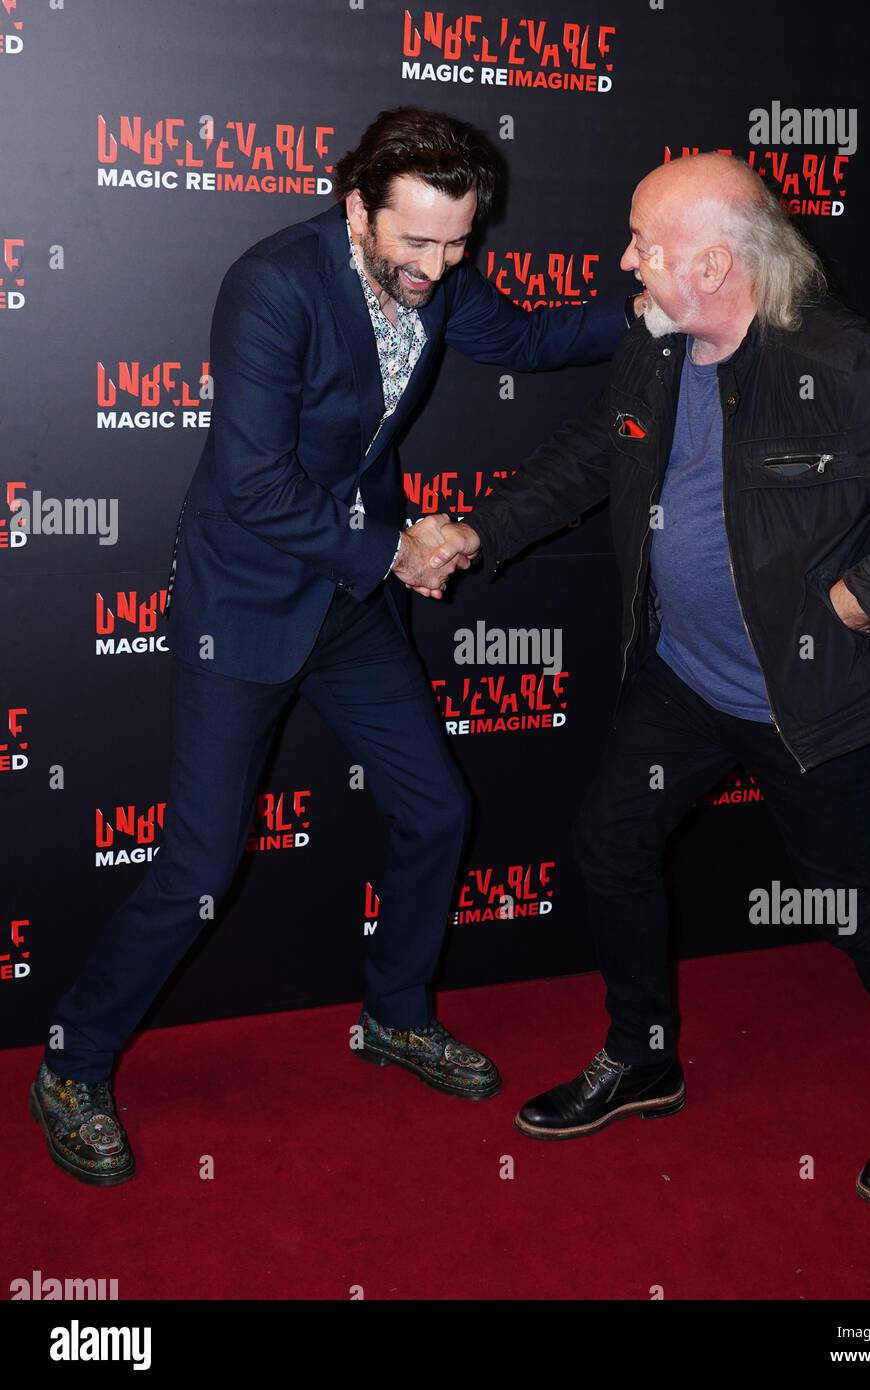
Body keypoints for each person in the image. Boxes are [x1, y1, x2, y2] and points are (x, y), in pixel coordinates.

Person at [30, 106, 638, 1187]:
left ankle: (394, 1016)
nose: (438, 266)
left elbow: (527, 339)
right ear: (356, 205)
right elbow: (255, 484)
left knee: (437, 807)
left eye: (457, 244)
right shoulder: (272, 285)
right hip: (255, 595)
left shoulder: (440, 268)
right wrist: (396, 554)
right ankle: (73, 1062)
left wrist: (654, 312)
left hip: (351, 604)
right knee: (200, 863)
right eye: (416, 242)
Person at [428, 151, 870, 1206]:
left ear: (710, 262)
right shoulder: (658, 342)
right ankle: (644, 1055)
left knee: (850, 906)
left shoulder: (840, 367)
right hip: (683, 682)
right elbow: (595, 455)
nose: (625, 261)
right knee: (611, 844)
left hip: (804, 705)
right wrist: (480, 527)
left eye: (643, 244)